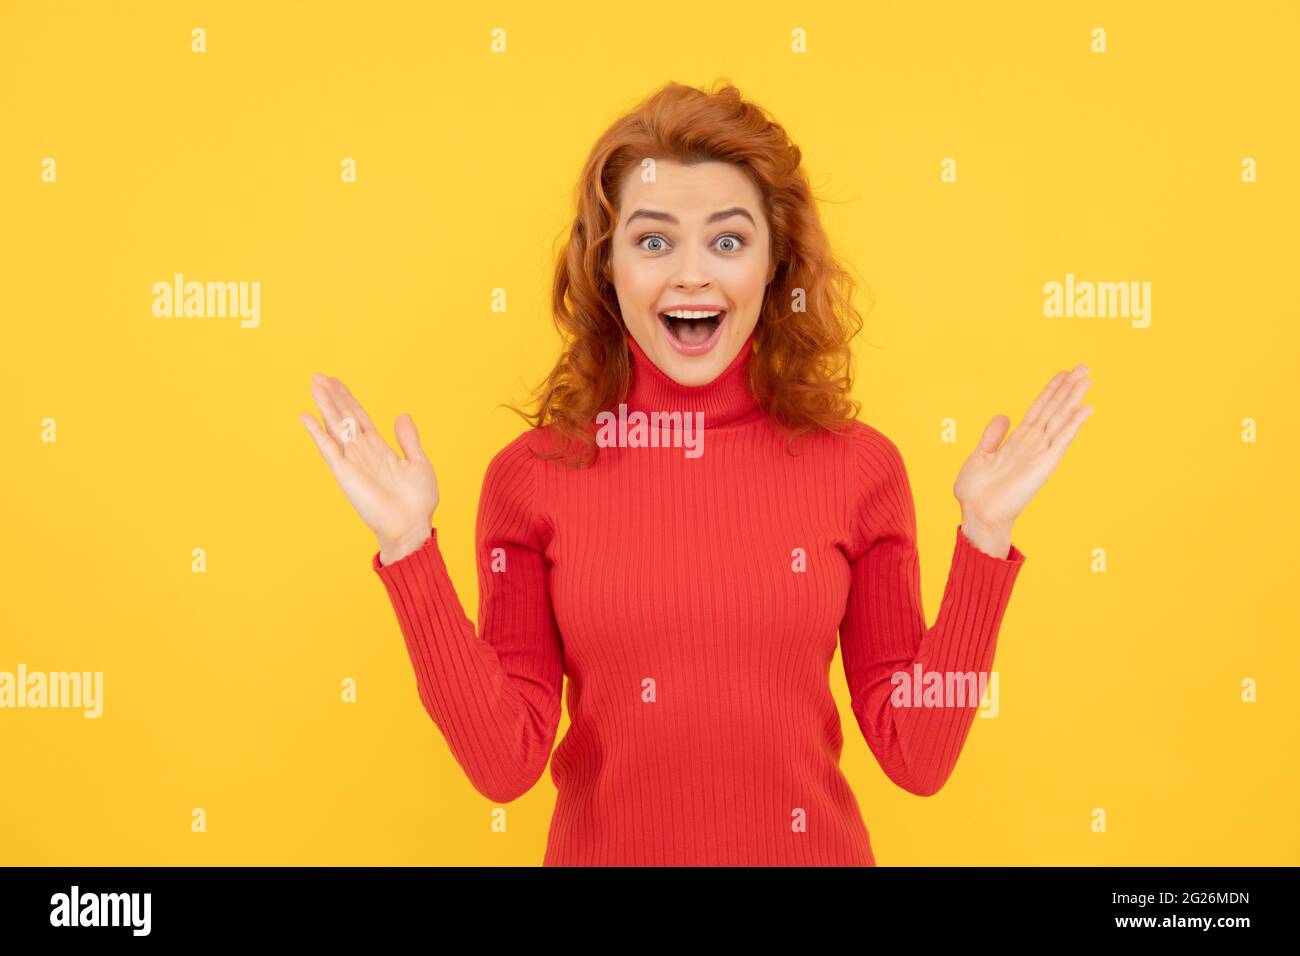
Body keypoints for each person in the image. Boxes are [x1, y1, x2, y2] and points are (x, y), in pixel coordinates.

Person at [300, 81, 1094, 866]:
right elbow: (504, 765)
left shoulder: (858, 469)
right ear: (605, 266)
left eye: (727, 240)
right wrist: (409, 548)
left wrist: (986, 539)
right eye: (652, 241)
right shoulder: (533, 479)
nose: (690, 275)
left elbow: (917, 756)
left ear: (775, 262)